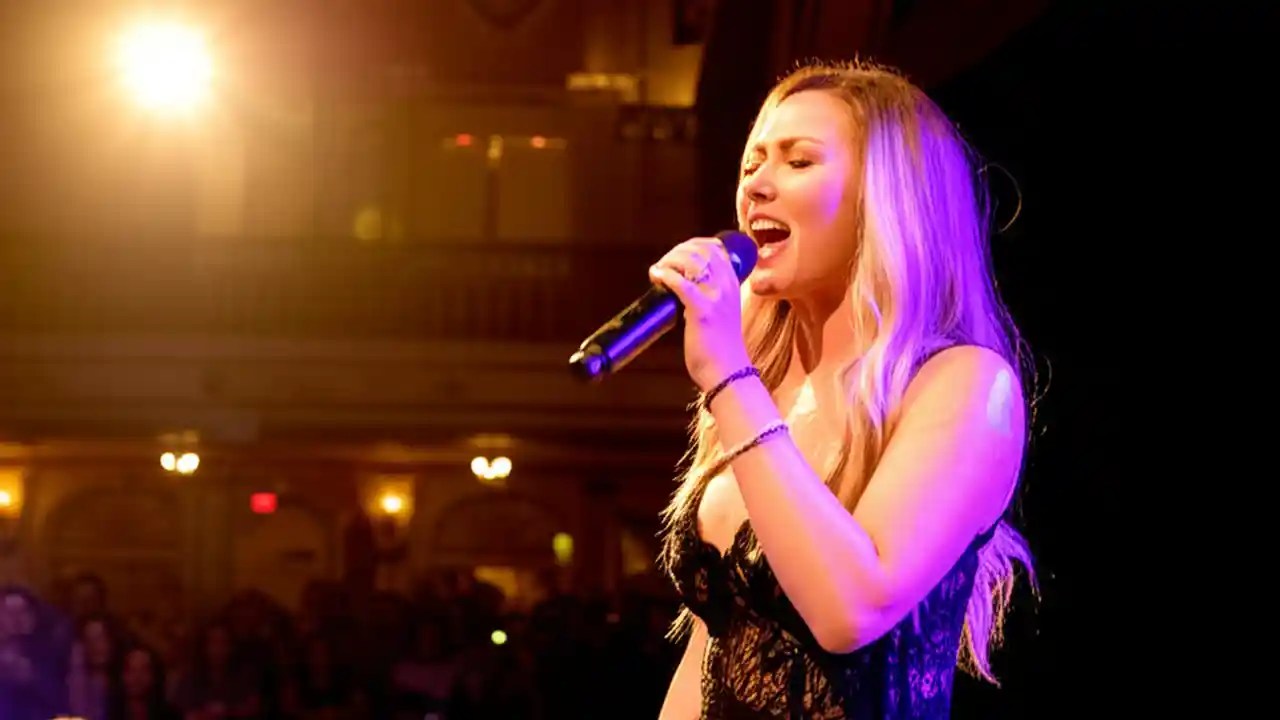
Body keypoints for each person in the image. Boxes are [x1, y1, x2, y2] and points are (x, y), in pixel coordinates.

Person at [651, 59, 1037, 719]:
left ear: (884, 199)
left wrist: (728, 378)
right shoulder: (761, 386)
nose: (757, 186)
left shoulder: (965, 386)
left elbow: (850, 611)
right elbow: (711, 647)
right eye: (752, 165)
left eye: (798, 161)